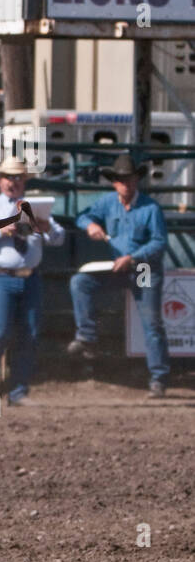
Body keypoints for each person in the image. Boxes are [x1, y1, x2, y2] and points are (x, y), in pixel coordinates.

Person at [0, 158, 65, 408]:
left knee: (28, 334)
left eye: (18, 178)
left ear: (24, 182)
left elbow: (58, 238)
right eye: (8, 177)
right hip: (0, 277)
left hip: (29, 277)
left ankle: (19, 391)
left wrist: (46, 227)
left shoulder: (34, 207)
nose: (13, 182)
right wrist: (0, 231)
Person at [67, 155, 171, 398]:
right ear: (114, 183)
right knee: (80, 282)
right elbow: (82, 216)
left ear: (136, 180)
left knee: (151, 322)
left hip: (143, 268)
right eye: (121, 180)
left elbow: (159, 242)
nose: (125, 184)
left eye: (129, 179)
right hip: (118, 266)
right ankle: (87, 336)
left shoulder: (150, 208)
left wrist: (133, 257)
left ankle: (159, 378)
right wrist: (90, 225)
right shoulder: (107, 203)